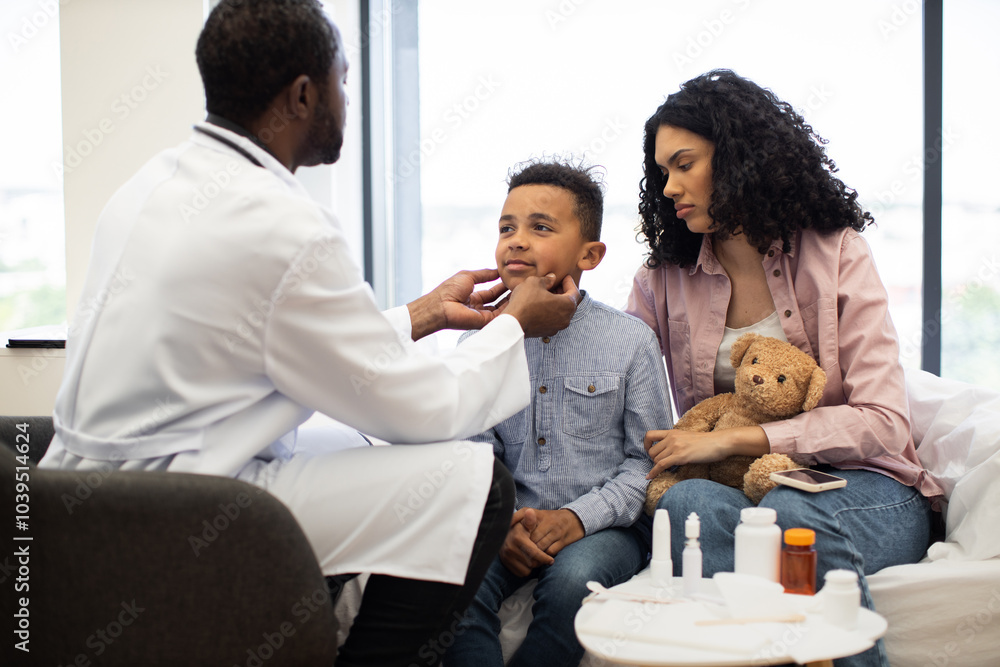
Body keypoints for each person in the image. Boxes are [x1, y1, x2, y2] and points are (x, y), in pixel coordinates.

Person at [38, 1, 582, 665]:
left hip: (78, 500)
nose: (346, 100)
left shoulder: (155, 181)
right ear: (303, 95)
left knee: (354, 435)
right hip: (179, 510)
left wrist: (423, 313)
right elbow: (425, 411)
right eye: (343, 81)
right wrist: (515, 325)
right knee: (475, 482)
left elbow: (272, 342)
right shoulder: (283, 225)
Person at [625, 70, 944, 667]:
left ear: (739, 155)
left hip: (864, 487)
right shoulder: (661, 280)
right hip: (740, 491)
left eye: (684, 163)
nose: (668, 186)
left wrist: (739, 439)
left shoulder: (838, 252)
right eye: (662, 170)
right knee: (686, 504)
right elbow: (623, 380)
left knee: (794, 511)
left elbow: (883, 422)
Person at [443, 160, 672, 667]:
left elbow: (648, 464)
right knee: (457, 585)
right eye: (507, 227)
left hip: (606, 529)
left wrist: (576, 518)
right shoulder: (480, 343)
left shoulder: (631, 341)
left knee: (571, 583)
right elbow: (473, 456)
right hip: (508, 524)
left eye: (540, 227)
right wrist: (500, 527)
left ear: (589, 254)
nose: (516, 240)